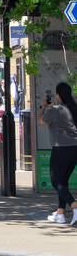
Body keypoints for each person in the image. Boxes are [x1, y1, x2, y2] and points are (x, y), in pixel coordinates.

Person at [40, 82, 77, 225]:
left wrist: (44, 106)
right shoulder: (74, 107)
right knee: (63, 181)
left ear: (58, 95)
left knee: (56, 181)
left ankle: (74, 206)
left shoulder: (55, 110)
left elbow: (41, 122)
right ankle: (60, 213)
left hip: (61, 148)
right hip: (75, 149)